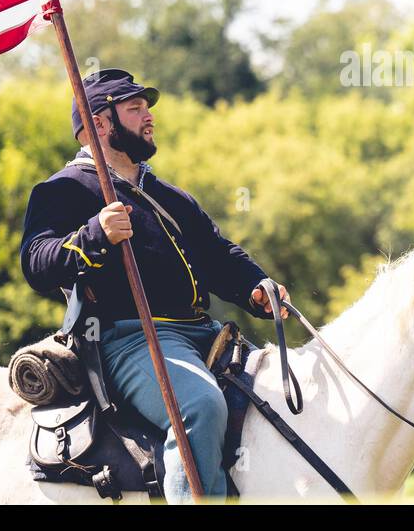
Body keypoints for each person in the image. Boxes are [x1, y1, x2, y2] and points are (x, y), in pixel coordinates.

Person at [21, 68, 288, 504]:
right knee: (198, 407)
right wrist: (94, 235)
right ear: (101, 124)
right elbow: (36, 263)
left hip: (204, 334)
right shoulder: (64, 190)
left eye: (147, 107)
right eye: (135, 108)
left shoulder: (171, 195)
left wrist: (255, 284)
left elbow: (219, 255)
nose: (149, 117)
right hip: (128, 341)